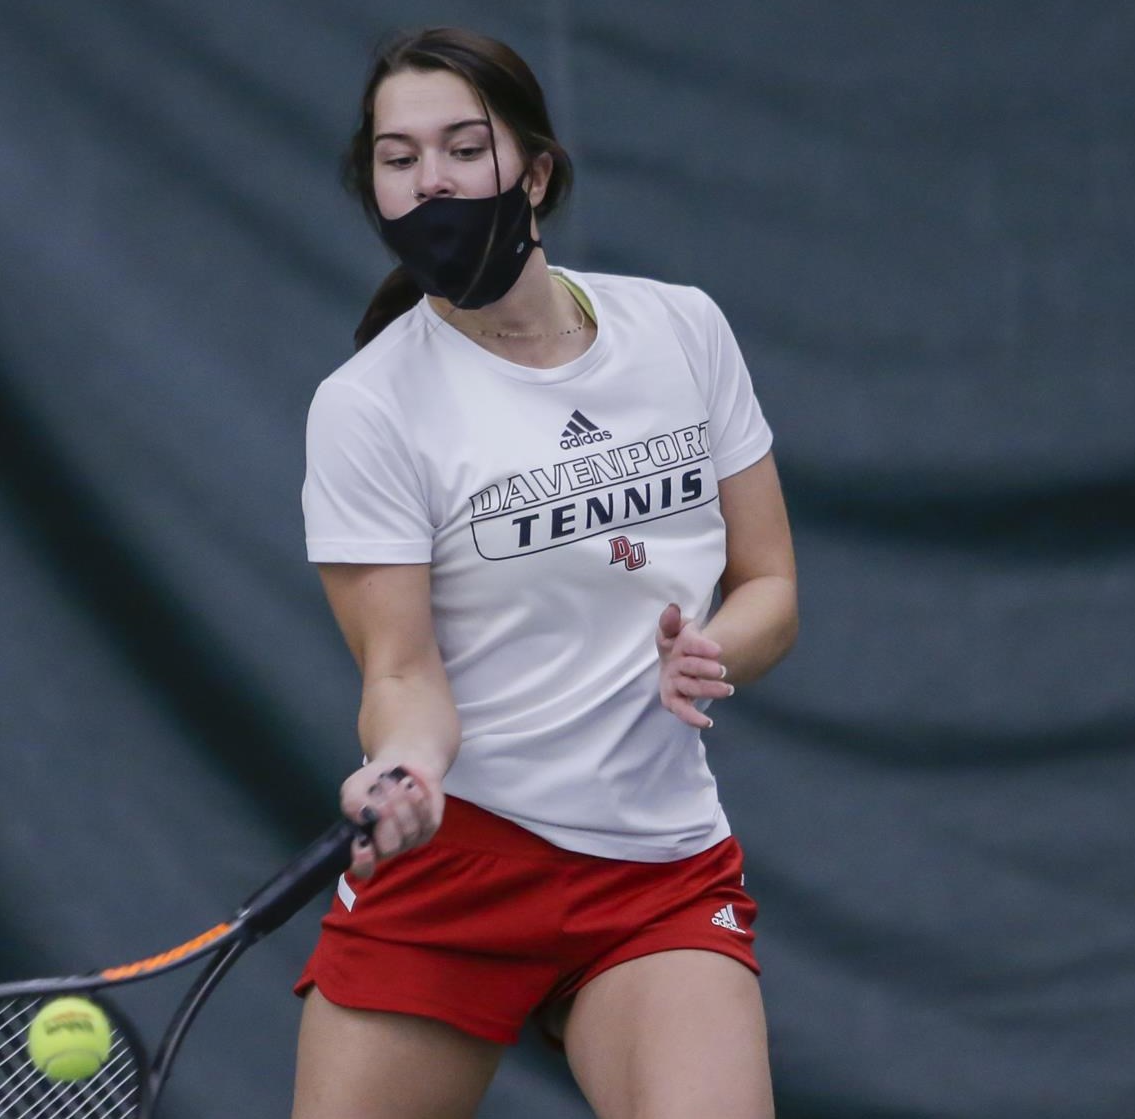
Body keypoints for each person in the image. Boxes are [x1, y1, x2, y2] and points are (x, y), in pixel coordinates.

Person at [292, 26, 797, 1119]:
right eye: (397, 158)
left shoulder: (682, 330)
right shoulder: (365, 409)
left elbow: (768, 587)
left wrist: (715, 650)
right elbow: (401, 673)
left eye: (462, 148)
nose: (430, 180)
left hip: (656, 868)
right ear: (370, 188)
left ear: (535, 170)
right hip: (456, 864)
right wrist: (403, 773)